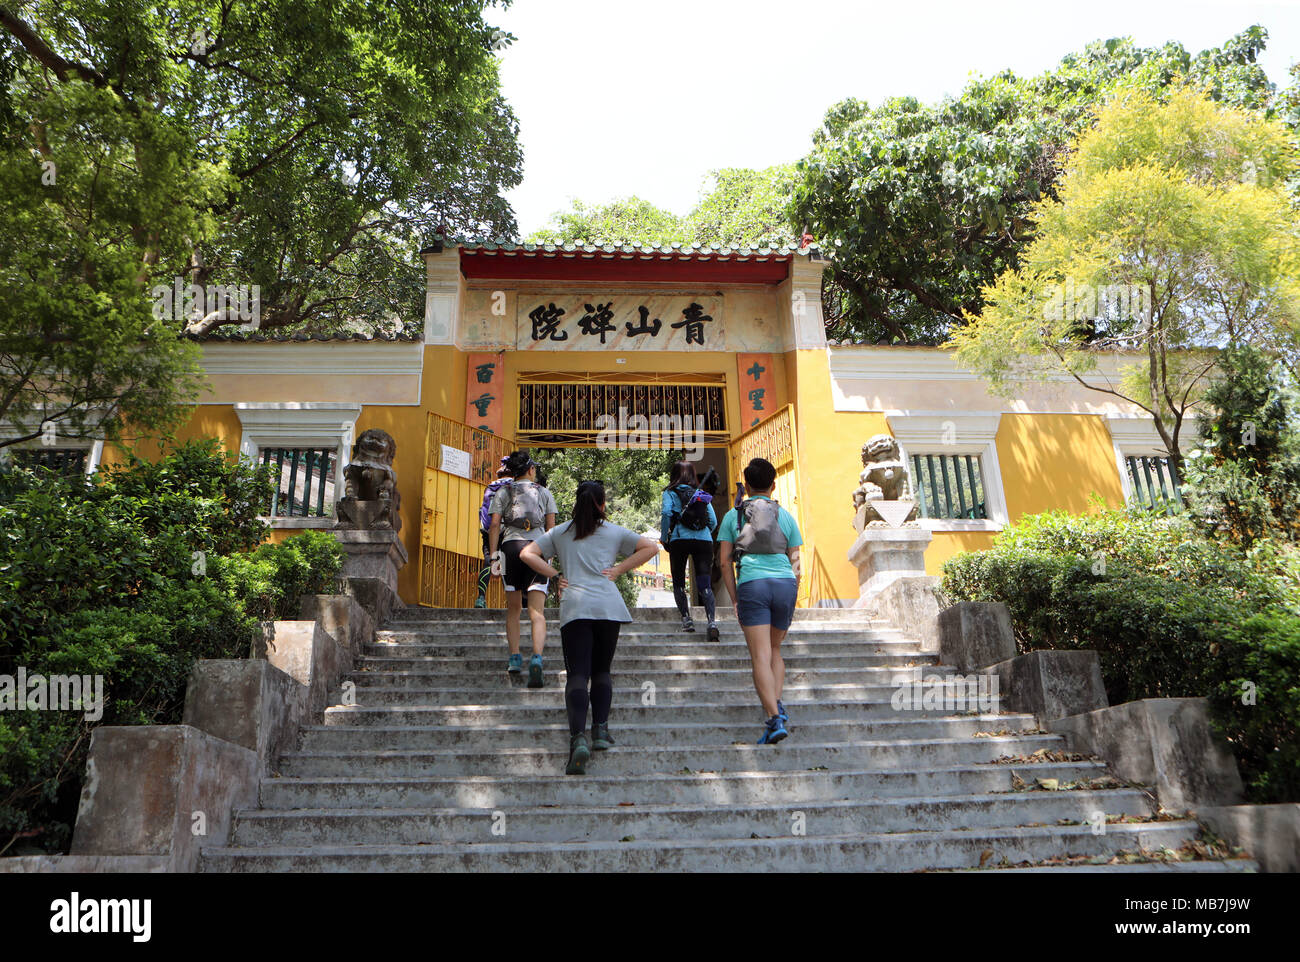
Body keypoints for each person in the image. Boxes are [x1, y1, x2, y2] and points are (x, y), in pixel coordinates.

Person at [521, 481, 658, 775]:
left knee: (578, 675)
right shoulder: (613, 531)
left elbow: (527, 554)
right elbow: (651, 546)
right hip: (608, 607)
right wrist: (619, 569)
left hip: (576, 608)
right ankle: (600, 731)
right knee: (602, 671)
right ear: (602, 504)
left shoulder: (560, 532)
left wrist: (556, 574)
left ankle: (577, 739)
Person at [717, 457, 804, 745]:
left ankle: (774, 718)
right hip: (785, 586)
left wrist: (735, 597)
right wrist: (793, 591)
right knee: (776, 650)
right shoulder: (786, 516)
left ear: (747, 484)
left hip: (753, 585)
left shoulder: (734, 516)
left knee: (760, 656)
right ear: (773, 485)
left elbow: (724, 563)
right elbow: (796, 562)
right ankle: (776, 706)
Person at [488, 451, 557, 687]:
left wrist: (494, 556)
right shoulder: (544, 492)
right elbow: (551, 529)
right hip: (536, 549)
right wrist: (548, 558)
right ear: (530, 470)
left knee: (514, 608)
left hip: (510, 548)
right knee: (537, 612)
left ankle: (515, 657)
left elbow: (494, 524)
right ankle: (536, 658)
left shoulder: (503, 492)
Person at [659, 461, 719, 640]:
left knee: (678, 582)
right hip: (704, 541)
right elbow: (713, 521)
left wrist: (664, 537)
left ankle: (687, 620)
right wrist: (703, 532)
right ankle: (711, 622)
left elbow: (666, 513)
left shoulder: (670, 492)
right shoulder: (700, 494)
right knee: (705, 583)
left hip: (679, 540)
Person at [474, 458, 513, 609]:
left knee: (489, 562)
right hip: (508, 530)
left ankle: (481, 598)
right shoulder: (514, 486)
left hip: (488, 530)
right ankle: (513, 602)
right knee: (510, 566)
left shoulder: (490, 487)